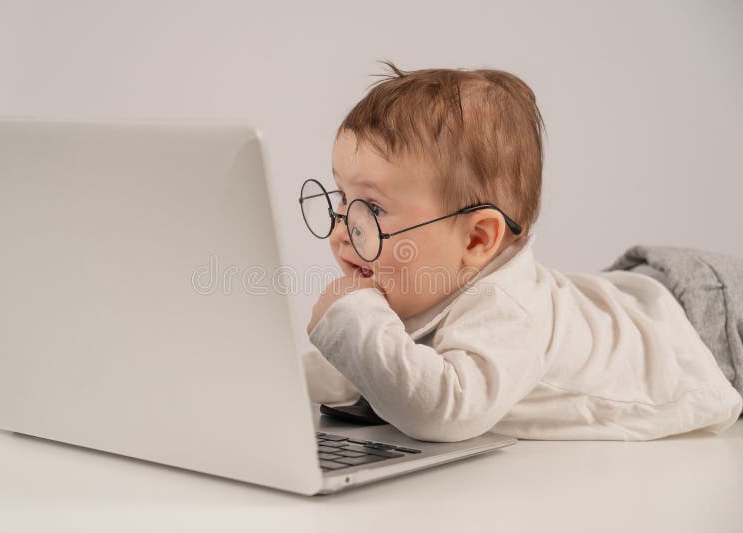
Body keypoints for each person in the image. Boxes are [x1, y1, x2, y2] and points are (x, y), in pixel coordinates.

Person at [299, 60, 743, 442]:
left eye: (373, 208)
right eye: (341, 197)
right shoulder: (423, 283)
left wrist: (351, 321)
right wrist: (276, 379)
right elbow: (370, 371)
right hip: (635, 297)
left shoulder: (505, 310)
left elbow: (444, 409)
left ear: (476, 240)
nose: (342, 227)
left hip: (709, 326)